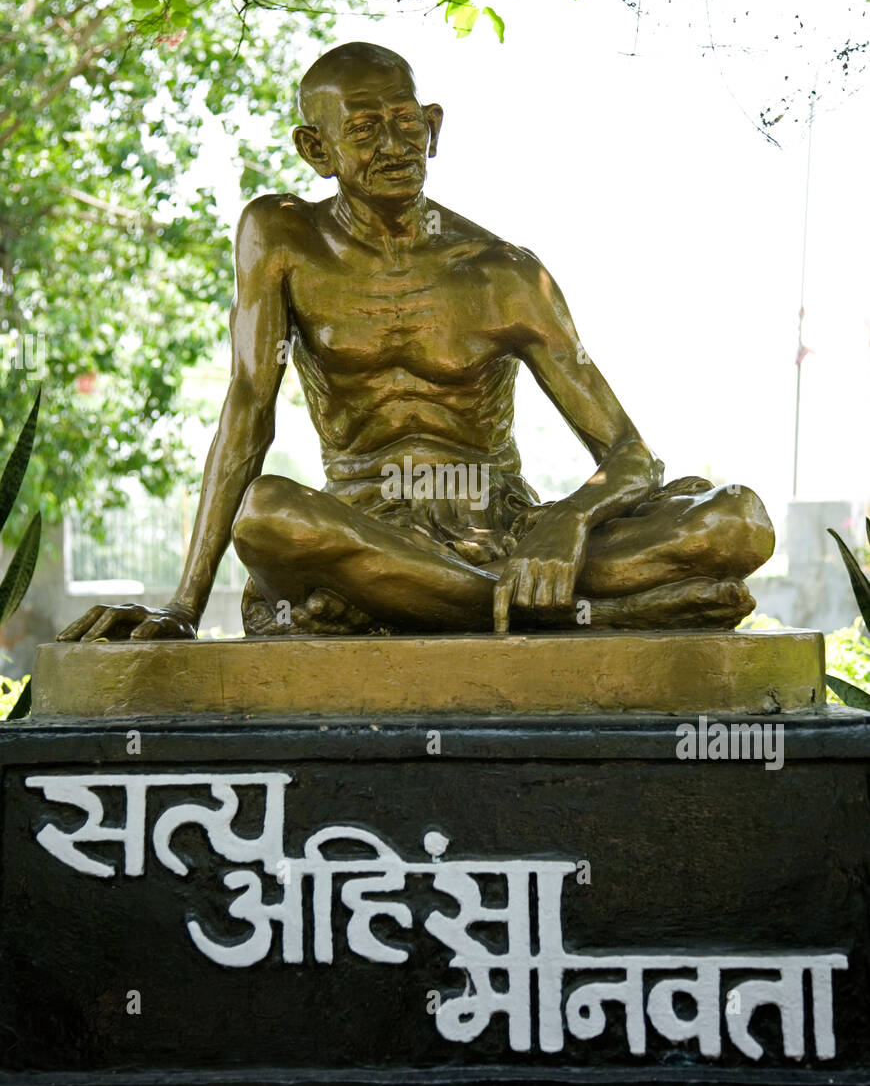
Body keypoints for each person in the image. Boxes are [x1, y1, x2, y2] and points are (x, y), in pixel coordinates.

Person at [59, 42, 773, 643]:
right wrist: (184, 605)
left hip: (496, 533)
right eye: (365, 129)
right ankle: (593, 613)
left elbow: (630, 457)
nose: (396, 147)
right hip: (363, 533)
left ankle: (443, 604)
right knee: (270, 515)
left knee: (736, 521)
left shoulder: (503, 273)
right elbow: (249, 407)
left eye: (406, 123)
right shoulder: (281, 237)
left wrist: (566, 522)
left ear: (434, 127)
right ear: (317, 149)